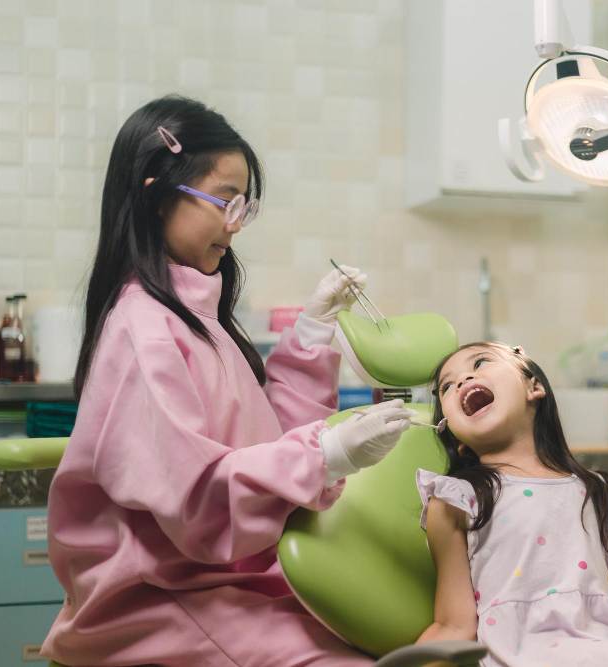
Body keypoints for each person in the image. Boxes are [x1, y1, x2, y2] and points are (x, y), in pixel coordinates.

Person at [43, 95, 412, 666]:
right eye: (224, 201)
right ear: (155, 194)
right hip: (157, 598)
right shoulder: (146, 331)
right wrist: (327, 454)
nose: (235, 223)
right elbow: (199, 505)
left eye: (244, 205)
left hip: (228, 575)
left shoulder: (196, 316)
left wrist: (311, 335)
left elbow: (261, 442)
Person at [415, 342, 608, 667]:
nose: (462, 380)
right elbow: (454, 626)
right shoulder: (458, 499)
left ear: (533, 387)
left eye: (480, 363)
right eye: (447, 386)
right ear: (456, 438)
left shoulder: (596, 491)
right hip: (529, 653)